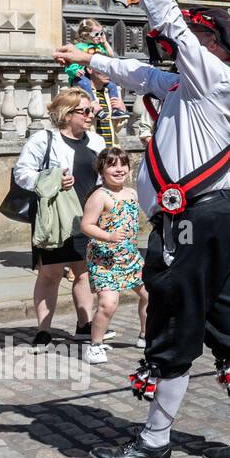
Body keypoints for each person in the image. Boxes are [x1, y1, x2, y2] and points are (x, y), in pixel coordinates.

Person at [58, 0, 230, 458]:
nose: (179, 47)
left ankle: (154, 442)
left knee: (174, 326)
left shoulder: (215, 79)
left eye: (197, 41)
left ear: (215, 49)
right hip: (221, 217)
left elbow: (171, 22)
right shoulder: (187, 86)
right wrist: (89, 59)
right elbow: (137, 73)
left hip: (198, 223)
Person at [12, 87, 105, 349]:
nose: (90, 115)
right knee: (50, 273)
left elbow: (103, 178)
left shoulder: (97, 142)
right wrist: (51, 180)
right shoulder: (44, 139)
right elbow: (22, 173)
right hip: (54, 218)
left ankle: (84, 325)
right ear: (66, 114)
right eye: (85, 111)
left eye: (91, 110)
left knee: (83, 272)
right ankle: (43, 330)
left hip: (86, 218)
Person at [79, 147, 148, 363]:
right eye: (112, 165)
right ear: (101, 169)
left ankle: (147, 335)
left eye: (123, 164)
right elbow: (86, 225)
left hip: (129, 256)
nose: (119, 170)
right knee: (108, 303)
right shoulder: (100, 195)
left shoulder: (132, 193)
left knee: (151, 295)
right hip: (104, 259)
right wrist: (108, 236)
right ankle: (95, 345)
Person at [64, 18, 128, 120]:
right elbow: (70, 63)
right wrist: (75, 71)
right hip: (82, 76)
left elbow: (111, 56)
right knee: (85, 84)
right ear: (86, 35)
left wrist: (105, 42)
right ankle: (94, 106)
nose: (99, 36)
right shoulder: (79, 47)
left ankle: (116, 109)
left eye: (101, 33)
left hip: (97, 76)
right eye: (96, 34)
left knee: (112, 85)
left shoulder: (100, 47)